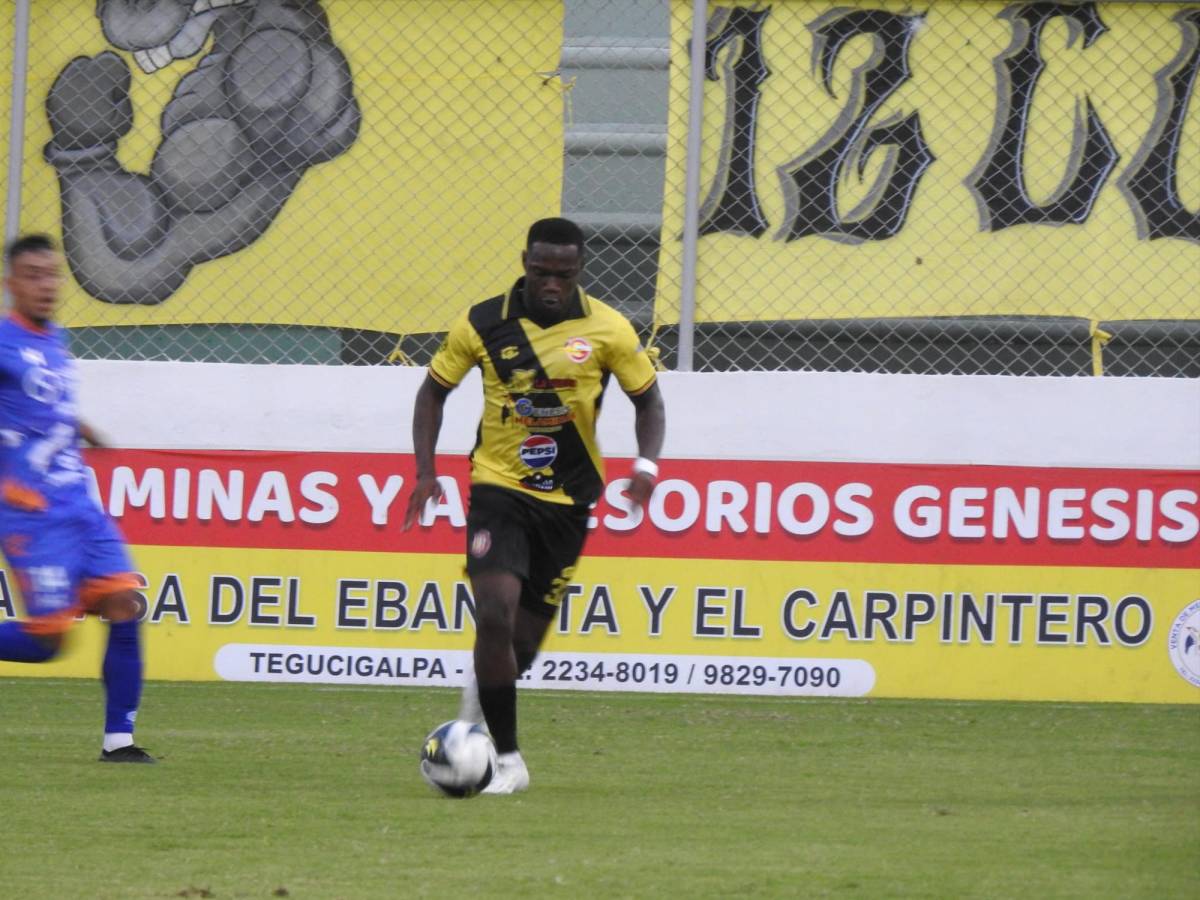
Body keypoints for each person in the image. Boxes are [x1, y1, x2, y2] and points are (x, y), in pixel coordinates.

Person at [403, 217, 665, 794]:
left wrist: (645, 468)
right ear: (525, 261)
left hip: (570, 501)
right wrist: (425, 471)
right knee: (493, 612)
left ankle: (473, 719)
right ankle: (511, 760)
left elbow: (650, 403)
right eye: (541, 271)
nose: (551, 283)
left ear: (579, 271)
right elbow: (432, 392)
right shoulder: (482, 322)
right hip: (498, 488)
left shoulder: (609, 330)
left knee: (519, 647)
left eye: (563, 275)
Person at [0, 234, 154, 763]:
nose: (47, 285)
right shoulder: (1, 340)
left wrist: (86, 429)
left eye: (52, 274)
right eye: (34, 275)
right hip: (31, 513)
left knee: (126, 605)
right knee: (48, 642)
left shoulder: (54, 340)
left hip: (80, 506)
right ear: (11, 283)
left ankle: (120, 743)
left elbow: (47, 407)